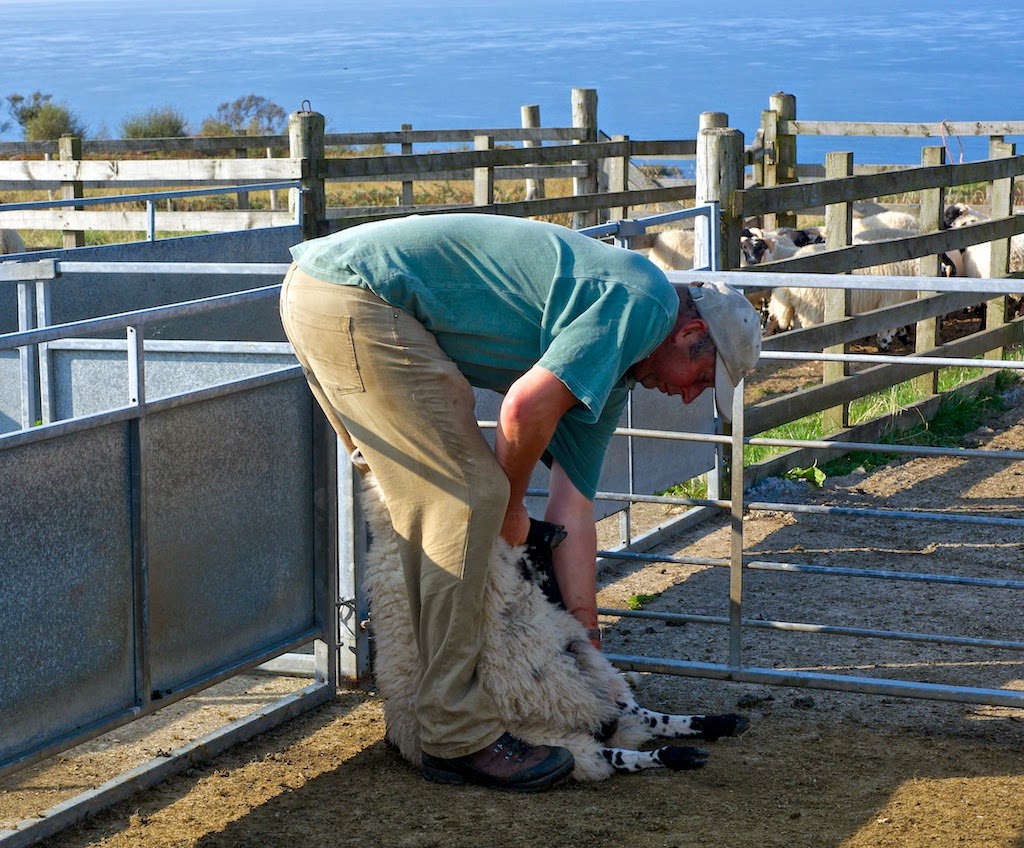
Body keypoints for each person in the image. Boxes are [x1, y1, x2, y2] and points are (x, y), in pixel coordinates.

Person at [279, 213, 761, 793]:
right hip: (358, 298)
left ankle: (418, 711)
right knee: (468, 500)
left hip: (330, 293)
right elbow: (522, 410)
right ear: (688, 336)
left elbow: (572, 506)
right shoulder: (645, 301)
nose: (688, 397)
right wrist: (508, 506)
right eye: (702, 377)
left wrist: (586, 649)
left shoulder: (613, 371)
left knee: (419, 508)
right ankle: (456, 735)